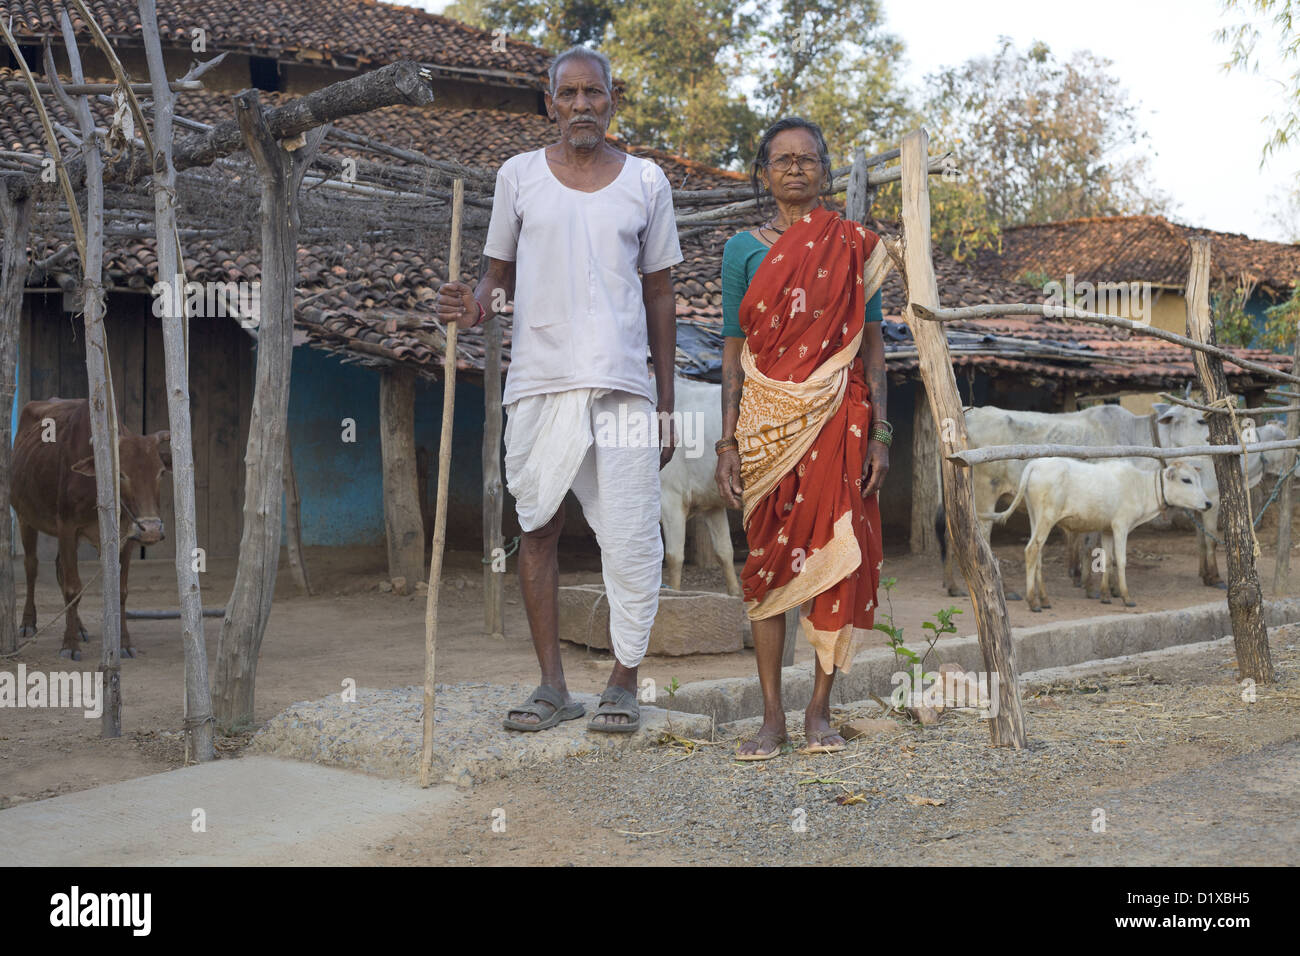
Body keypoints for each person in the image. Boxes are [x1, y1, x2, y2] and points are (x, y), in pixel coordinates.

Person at [436, 46, 682, 733]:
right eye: (567, 94)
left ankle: (624, 683)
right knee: (537, 525)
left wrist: (666, 404)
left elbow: (661, 293)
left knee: (631, 537)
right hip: (540, 382)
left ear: (611, 102)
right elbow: (495, 277)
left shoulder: (646, 182)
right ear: (550, 103)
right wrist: (473, 305)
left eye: (593, 94)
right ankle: (551, 685)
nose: (581, 105)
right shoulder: (518, 178)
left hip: (626, 386)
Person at [714, 117, 892, 759]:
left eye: (807, 159)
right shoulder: (742, 249)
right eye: (782, 160)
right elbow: (732, 354)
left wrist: (882, 435)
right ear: (764, 173)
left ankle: (819, 712)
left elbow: (873, 353)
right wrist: (727, 442)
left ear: (825, 171)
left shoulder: (851, 246)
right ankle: (770, 718)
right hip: (765, 426)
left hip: (839, 421)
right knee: (766, 568)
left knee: (831, 561)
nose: (795, 169)